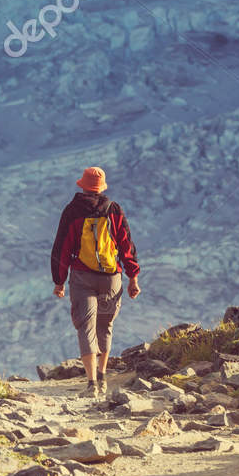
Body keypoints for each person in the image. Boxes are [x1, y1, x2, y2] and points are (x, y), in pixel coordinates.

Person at [50, 166, 140, 399]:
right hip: (112, 278)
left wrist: (59, 281)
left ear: (82, 185)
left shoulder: (72, 211)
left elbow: (62, 247)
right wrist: (133, 277)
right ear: (102, 188)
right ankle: (102, 376)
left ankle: (91, 384)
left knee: (85, 326)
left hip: (82, 277)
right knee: (104, 326)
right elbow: (126, 245)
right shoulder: (114, 209)